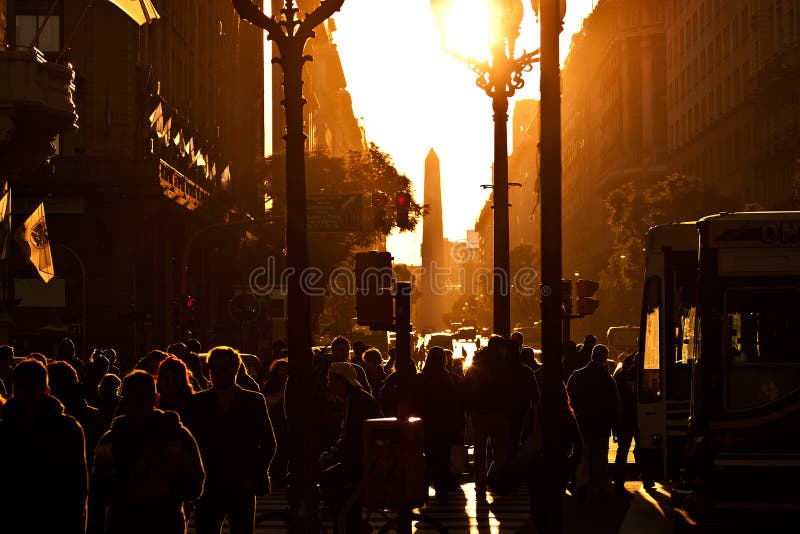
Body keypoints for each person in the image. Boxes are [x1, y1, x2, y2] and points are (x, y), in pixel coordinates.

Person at [91, 371, 205, 534]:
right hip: (139, 523)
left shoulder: (175, 435)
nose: (135, 407)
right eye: (130, 401)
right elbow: (99, 491)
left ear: (156, 399)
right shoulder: (113, 439)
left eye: (140, 400)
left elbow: (194, 484)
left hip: (156, 523)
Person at [183, 346, 275, 534]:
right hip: (208, 486)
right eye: (213, 368)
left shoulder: (253, 400)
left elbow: (268, 443)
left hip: (241, 484)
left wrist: (254, 476)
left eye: (222, 367)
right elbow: (189, 445)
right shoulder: (197, 403)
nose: (216, 372)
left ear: (235, 369)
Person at [0, 359, 88, 534]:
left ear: (45, 390)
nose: (26, 394)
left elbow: (77, 490)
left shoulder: (67, 430)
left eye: (31, 387)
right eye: (21, 387)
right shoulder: (68, 428)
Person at [320, 362, 382, 534]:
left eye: (331, 379)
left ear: (343, 381)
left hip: (363, 463)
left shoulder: (356, 400)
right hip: (362, 459)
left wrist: (331, 455)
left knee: (341, 506)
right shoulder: (355, 397)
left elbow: (351, 437)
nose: (329, 383)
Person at [463, 335, 514, 503]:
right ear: (500, 349)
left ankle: (480, 486)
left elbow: (467, 390)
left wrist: (469, 412)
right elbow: (507, 390)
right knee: (504, 448)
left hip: (478, 413)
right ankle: (490, 475)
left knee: (479, 451)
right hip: (498, 412)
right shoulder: (503, 366)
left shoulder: (476, 364)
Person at [413, 347, 465, 504]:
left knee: (429, 458)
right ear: (445, 361)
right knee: (443, 458)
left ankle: (423, 489)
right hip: (446, 425)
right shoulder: (453, 379)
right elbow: (460, 405)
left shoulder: (420, 379)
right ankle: (442, 491)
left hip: (426, 424)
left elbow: (414, 403)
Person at [567, 344, 619, 501]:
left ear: (591, 356)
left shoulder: (577, 375)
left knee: (583, 455)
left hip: (582, 423)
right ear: (605, 358)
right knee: (600, 457)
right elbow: (614, 406)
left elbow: (569, 399)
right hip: (602, 425)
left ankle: (582, 484)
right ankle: (599, 486)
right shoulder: (608, 380)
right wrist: (616, 427)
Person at [613, 352, 641, 490]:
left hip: (624, 418)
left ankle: (619, 479)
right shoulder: (644, 375)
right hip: (641, 418)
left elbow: (614, 399)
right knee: (642, 448)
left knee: (622, 450)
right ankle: (645, 476)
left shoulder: (620, 376)